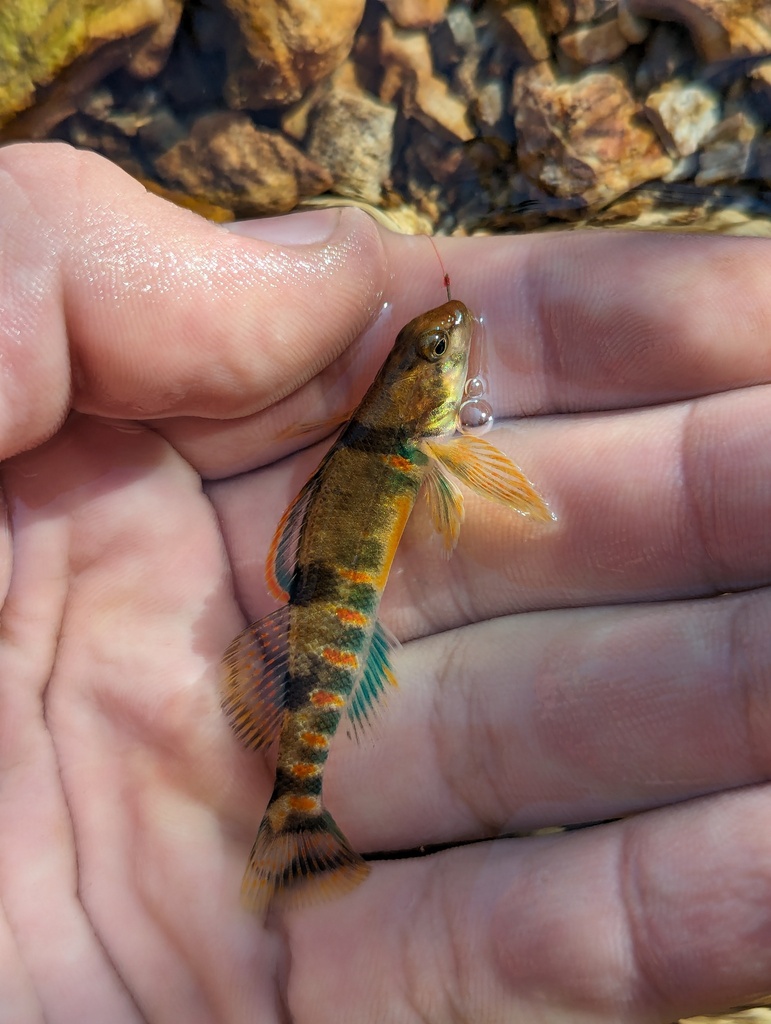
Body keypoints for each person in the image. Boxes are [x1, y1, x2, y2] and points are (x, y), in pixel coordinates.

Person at [0, 140, 769, 1024]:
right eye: (435, 352)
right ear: (414, 399)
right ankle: (296, 815)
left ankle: (294, 818)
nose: (451, 342)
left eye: (437, 349)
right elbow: (478, 488)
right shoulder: (404, 446)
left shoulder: (397, 443)